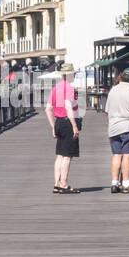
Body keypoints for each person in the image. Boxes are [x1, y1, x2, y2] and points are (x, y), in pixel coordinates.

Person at [45, 63, 81, 193]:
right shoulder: (69, 88)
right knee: (67, 156)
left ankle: (57, 183)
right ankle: (64, 184)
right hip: (67, 123)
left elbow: (48, 109)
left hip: (59, 122)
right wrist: (74, 126)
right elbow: (67, 106)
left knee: (60, 155)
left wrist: (53, 126)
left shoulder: (56, 88)